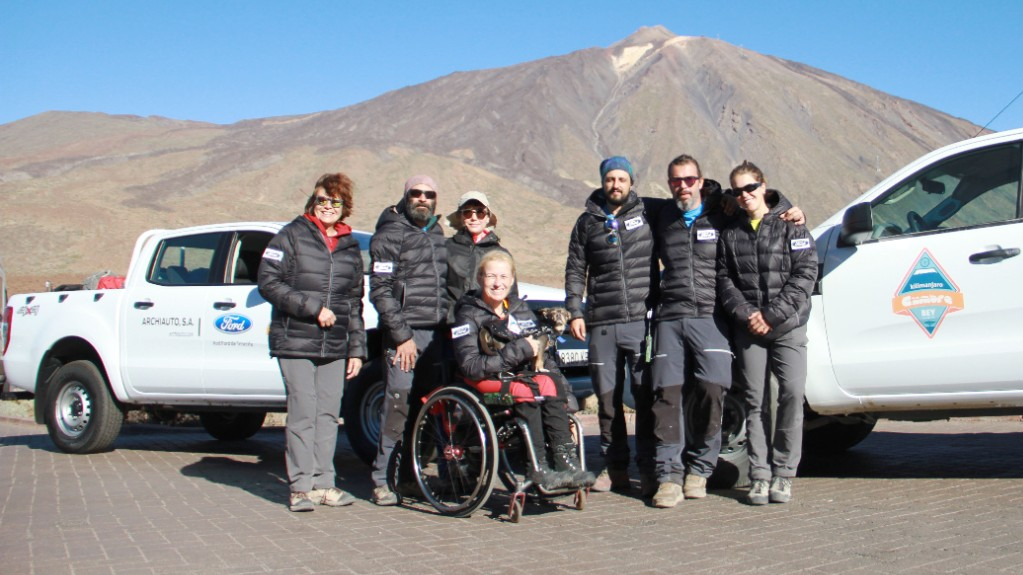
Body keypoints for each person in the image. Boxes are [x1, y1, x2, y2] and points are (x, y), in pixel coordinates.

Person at [648, 155, 804, 508]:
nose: (682, 185)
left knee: (712, 388)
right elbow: (618, 202)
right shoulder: (661, 214)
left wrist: (790, 208)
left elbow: (762, 205)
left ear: (701, 181)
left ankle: (700, 470)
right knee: (667, 394)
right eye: (675, 180)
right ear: (669, 183)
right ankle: (668, 477)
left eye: (689, 179)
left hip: (711, 315)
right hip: (671, 316)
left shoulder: (722, 213)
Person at [257, 172, 366, 512]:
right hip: (295, 340)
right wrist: (312, 308)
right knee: (304, 411)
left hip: (335, 345)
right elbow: (268, 282)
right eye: (322, 200)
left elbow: (354, 303)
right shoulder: (289, 236)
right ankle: (300, 487)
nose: (328, 207)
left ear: (344, 207)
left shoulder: (349, 248)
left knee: (328, 414)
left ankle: (323, 484)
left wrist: (357, 349)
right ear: (312, 202)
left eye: (336, 202)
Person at [716, 161, 818, 505]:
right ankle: (759, 475)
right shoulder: (730, 234)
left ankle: (784, 474)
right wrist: (747, 315)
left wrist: (772, 315)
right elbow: (723, 279)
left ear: (764, 186)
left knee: (790, 393)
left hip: (788, 326)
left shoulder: (793, 226)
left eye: (750, 188)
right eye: (738, 190)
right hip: (749, 330)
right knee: (755, 400)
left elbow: (805, 274)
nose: (745, 195)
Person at [451, 250, 594, 489]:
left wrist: (564, 397)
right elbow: (471, 367)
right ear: (480, 279)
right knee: (528, 391)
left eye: (504, 277)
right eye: (491, 277)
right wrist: (517, 350)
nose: (498, 283)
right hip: (484, 384)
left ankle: (565, 463)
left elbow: (541, 355)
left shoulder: (519, 308)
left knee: (550, 383)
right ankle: (536, 467)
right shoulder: (467, 314)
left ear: (512, 279)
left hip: (518, 377)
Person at [565, 156, 657, 495]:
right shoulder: (587, 222)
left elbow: (688, 209)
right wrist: (575, 311)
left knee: (645, 396)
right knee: (607, 400)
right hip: (601, 322)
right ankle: (614, 466)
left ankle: (647, 468)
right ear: (603, 182)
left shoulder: (649, 213)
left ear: (631, 182)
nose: (615, 184)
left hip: (639, 321)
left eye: (621, 179)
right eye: (610, 179)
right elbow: (575, 269)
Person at [368, 175, 450, 506]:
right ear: (405, 197)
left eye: (429, 195)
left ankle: (410, 479)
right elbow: (380, 290)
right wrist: (401, 336)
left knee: (427, 408)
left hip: (436, 335)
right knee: (397, 405)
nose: (422, 199)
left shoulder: (438, 234)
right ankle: (381, 479)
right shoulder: (390, 232)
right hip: (404, 334)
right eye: (416, 194)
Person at [445, 191, 513, 322]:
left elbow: (512, 295)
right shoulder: (446, 248)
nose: (474, 218)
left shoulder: (501, 254)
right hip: (451, 328)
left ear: (487, 218)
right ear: (461, 217)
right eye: (468, 212)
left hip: (488, 327)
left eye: (480, 212)